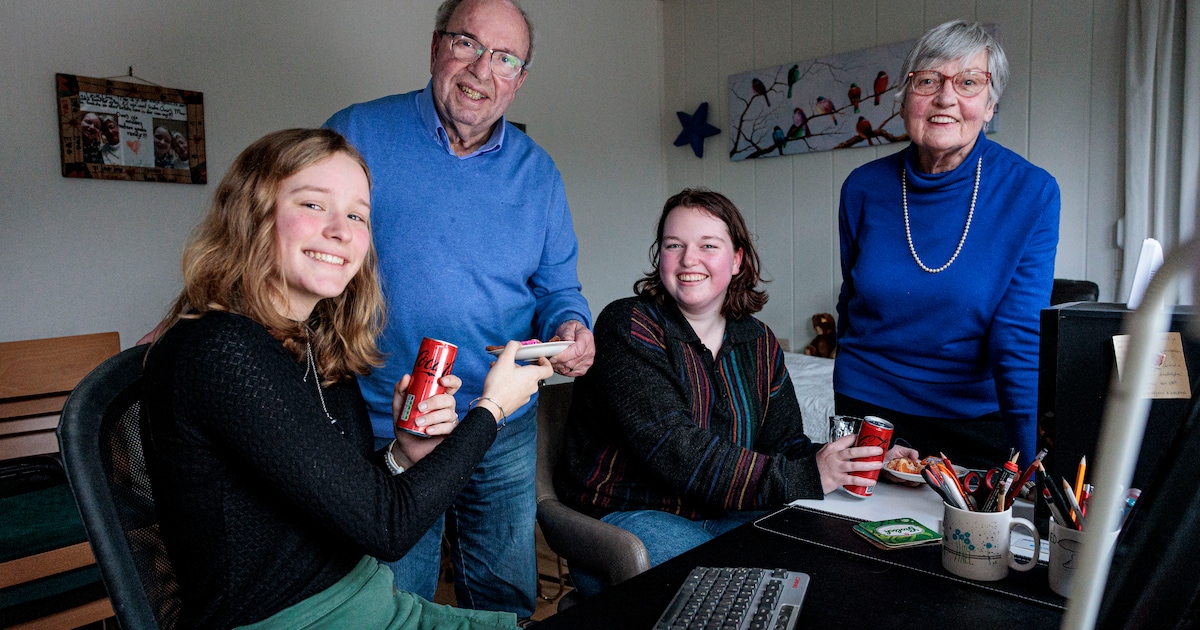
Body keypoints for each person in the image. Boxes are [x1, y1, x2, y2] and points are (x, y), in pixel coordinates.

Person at [140, 128, 552, 629]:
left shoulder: (311, 342)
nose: (341, 230)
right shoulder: (222, 350)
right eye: (314, 205)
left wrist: (404, 453)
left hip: (370, 603)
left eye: (357, 215)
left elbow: (352, 504)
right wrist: (493, 409)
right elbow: (386, 527)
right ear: (252, 214)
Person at [324, 0, 594, 619]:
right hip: (385, 418)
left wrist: (569, 328)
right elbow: (295, 247)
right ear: (435, 47)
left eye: (504, 58)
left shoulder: (539, 173)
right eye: (467, 44)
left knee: (504, 595)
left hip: (499, 421)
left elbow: (557, 288)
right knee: (398, 599)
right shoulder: (354, 133)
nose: (481, 69)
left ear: (519, 79)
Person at [555, 188, 918, 597]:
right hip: (630, 515)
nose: (689, 259)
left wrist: (856, 460)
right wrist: (806, 475)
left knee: (827, 562)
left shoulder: (758, 340)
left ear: (737, 259)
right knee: (731, 591)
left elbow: (784, 444)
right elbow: (675, 449)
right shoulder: (628, 324)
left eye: (708, 245)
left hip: (725, 508)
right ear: (661, 257)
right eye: (675, 245)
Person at [834, 20, 1060, 470]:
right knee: (850, 537)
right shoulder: (862, 188)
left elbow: (1017, 335)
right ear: (905, 99)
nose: (945, 98)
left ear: (990, 104)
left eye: (969, 82)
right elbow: (852, 301)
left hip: (974, 418)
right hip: (869, 407)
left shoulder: (1031, 192)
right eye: (927, 81)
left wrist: (1026, 460)